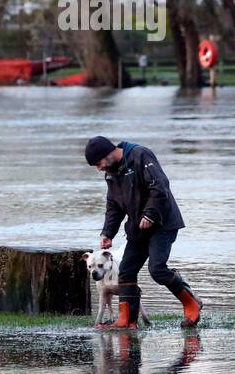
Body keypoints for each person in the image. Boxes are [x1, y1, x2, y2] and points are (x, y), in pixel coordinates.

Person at [84, 135, 202, 329]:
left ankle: (191, 303)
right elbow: (114, 207)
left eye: (98, 163)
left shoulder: (140, 155)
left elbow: (160, 186)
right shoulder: (112, 174)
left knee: (157, 270)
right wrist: (107, 233)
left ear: (108, 153)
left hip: (163, 224)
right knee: (127, 271)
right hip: (137, 229)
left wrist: (149, 215)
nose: (99, 168)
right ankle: (127, 321)